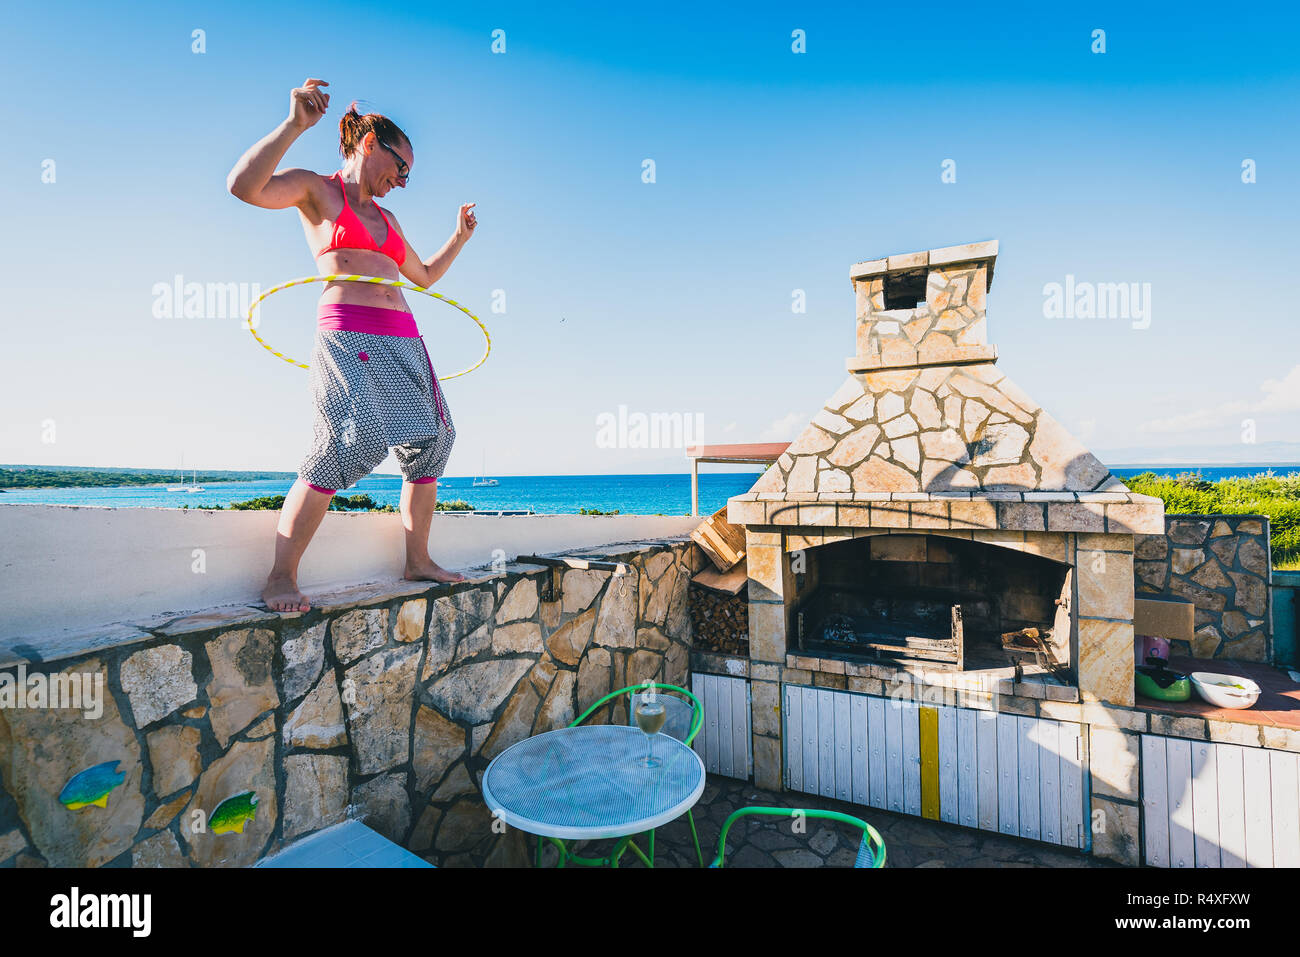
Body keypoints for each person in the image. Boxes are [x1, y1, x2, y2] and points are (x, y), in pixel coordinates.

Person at [227, 78, 475, 612]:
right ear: (369, 144)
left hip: (404, 339)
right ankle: (280, 576)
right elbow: (243, 187)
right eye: (401, 167)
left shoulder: (389, 219)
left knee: (434, 438)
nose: (403, 181)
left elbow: (425, 276)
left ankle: (418, 560)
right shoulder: (316, 191)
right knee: (348, 440)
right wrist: (295, 125)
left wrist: (459, 236)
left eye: (410, 174)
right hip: (348, 334)